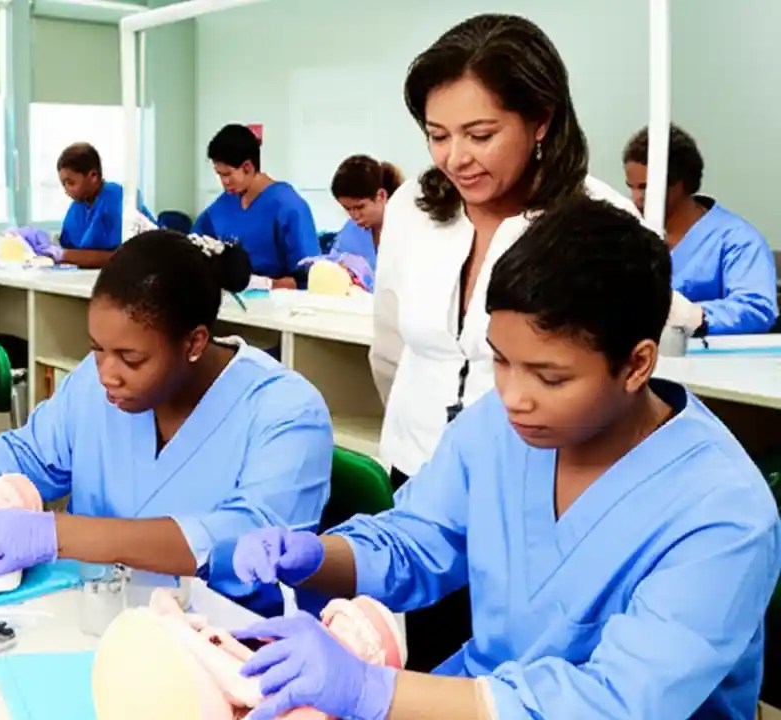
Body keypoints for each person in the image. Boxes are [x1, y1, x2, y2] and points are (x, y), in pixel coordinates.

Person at [230, 197, 781, 720]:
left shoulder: (722, 512)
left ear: (637, 365)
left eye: (550, 376)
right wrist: (317, 558)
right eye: (502, 362)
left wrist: (372, 689)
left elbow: (614, 702)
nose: (514, 396)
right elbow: (422, 538)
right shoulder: (498, 427)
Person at [367, 13, 638, 673]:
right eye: (438, 136)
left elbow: (617, 387)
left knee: (523, 670)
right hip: (422, 471)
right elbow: (389, 344)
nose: (456, 157)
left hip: (539, 489)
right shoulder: (411, 209)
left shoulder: (594, 224)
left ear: (540, 119)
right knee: (431, 658)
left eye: (480, 134)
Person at [0, 230, 333, 580]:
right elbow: (31, 452)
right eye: (97, 349)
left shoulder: (287, 413)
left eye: (131, 358)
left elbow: (248, 538)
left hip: (222, 642)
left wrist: (56, 534)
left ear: (194, 341)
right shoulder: (97, 384)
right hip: (93, 609)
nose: (106, 374)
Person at [622, 124, 778, 335]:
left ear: (679, 184)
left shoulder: (737, 241)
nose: (635, 198)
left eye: (644, 187)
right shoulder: (629, 235)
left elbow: (757, 310)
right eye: (631, 187)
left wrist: (694, 316)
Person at [193, 124, 320, 290]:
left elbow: (310, 279)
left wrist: (266, 284)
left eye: (227, 174)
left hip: (277, 307)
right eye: (219, 175)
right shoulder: (224, 204)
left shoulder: (289, 207)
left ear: (247, 167)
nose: (224, 182)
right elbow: (194, 244)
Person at [16, 143, 155, 270]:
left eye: (70, 183)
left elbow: (118, 257)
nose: (66, 190)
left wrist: (61, 255)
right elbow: (70, 245)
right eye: (63, 184)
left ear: (93, 176)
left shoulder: (116, 198)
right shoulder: (79, 205)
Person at [308, 155, 404, 291]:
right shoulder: (351, 231)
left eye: (360, 207)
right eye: (347, 209)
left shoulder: (408, 228)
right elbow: (337, 265)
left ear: (381, 196)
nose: (355, 216)